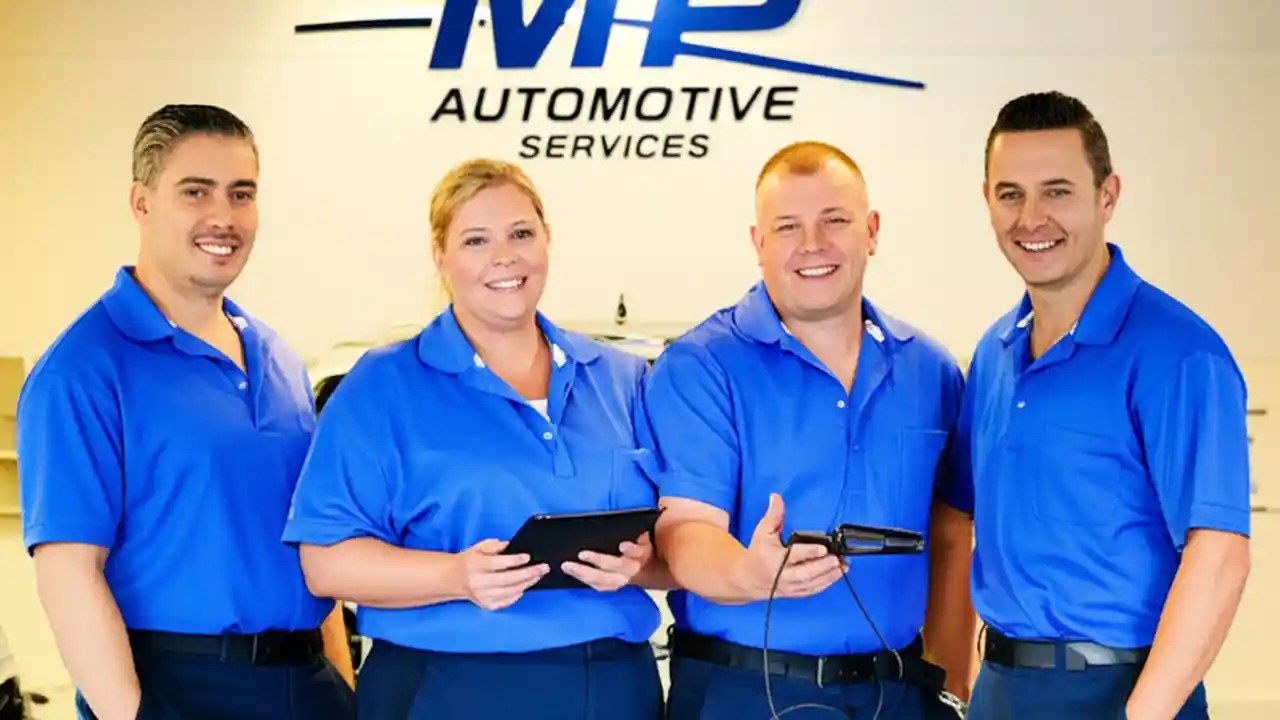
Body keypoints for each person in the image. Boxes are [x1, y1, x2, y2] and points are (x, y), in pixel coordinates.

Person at [282, 158, 671, 720]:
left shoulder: (621, 379)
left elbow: (676, 538)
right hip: (443, 684)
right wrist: (454, 576)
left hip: (610, 684)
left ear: (546, 241)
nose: (504, 257)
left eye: (520, 234)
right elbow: (326, 563)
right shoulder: (383, 386)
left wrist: (642, 562)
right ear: (440, 256)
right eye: (475, 240)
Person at [16, 104, 356, 720]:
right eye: (195, 192)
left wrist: (338, 682)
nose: (223, 217)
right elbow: (67, 574)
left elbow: (314, 536)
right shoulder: (84, 369)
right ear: (141, 203)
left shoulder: (276, 357)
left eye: (242, 193)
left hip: (304, 684)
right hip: (177, 685)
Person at [644, 141, 976, 719]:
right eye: (788, 227)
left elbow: (952, 537)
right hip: (743, 691)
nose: (813, 245)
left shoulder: (931, 370)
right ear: (759, 244)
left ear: (872, 230)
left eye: (835, 221)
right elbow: (685, 531)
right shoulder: (702, 366)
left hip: (899, 693)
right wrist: (748, 573)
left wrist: (949, 689)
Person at [958, 91, 1252, 720]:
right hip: (1003, 691)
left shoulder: (1177, 354)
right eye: (1011, 194)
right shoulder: (992, 355)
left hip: (1123, 692)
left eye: (1057, 190)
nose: (1031, 218)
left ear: (1108, 195)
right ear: (987, 200)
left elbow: (1220, 554)